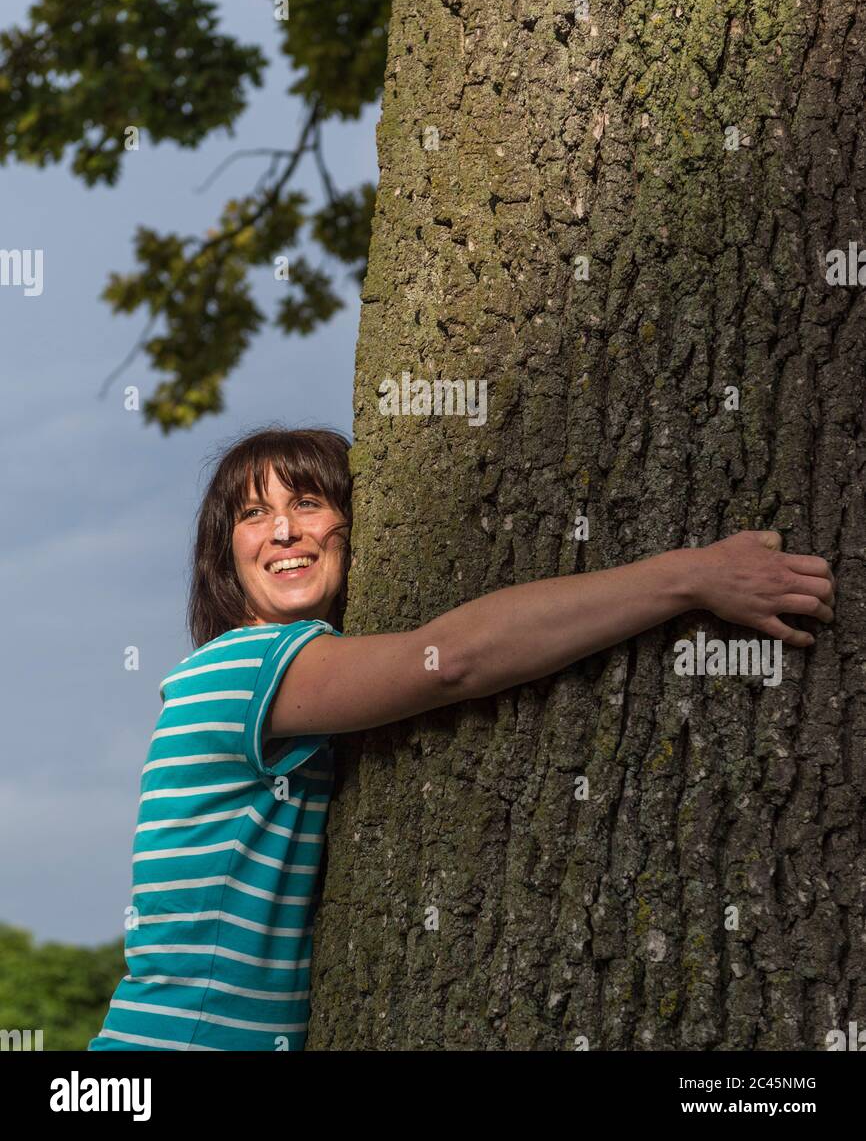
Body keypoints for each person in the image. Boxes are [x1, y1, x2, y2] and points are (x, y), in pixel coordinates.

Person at [89, 425, 835, 1050]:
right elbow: (454, 663)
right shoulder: (241, 668)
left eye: (309, 502)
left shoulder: (266, 681)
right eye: (252, 515)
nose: (284, 529)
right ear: (224, 560)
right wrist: (689, 579)